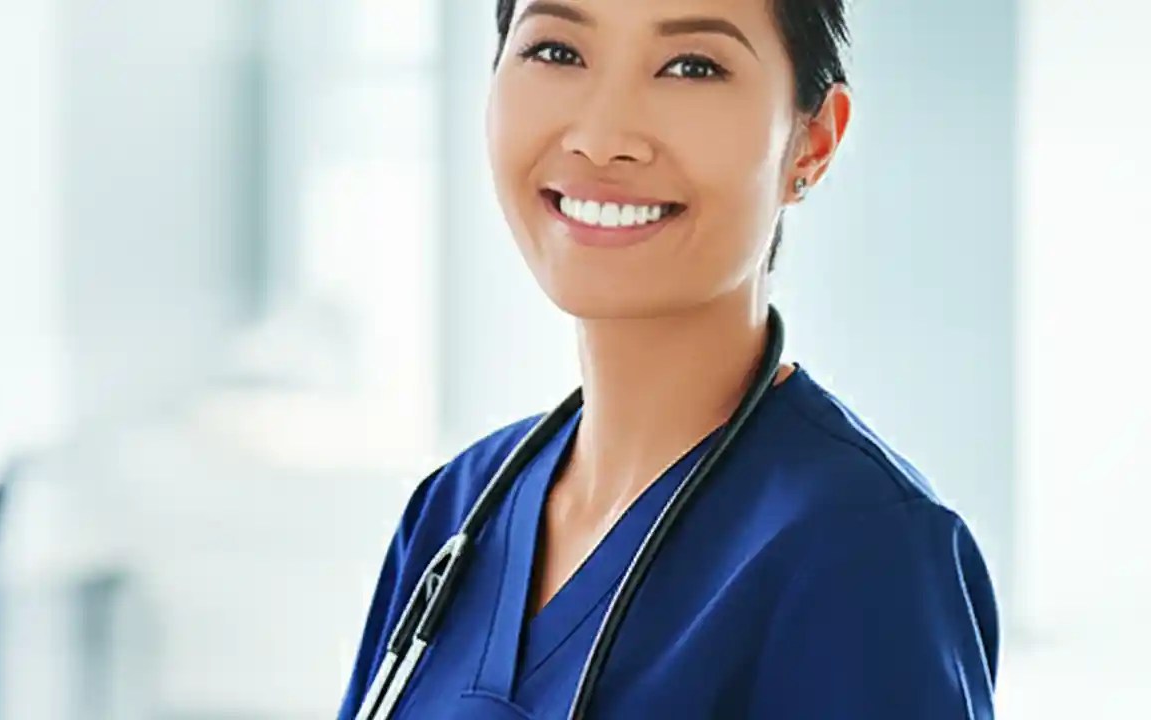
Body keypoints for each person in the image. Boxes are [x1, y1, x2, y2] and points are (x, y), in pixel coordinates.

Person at [338, 0, 999, 717]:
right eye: (557, 52)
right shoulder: (455, 511)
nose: (602, 138)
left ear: (810, 143)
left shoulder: (863, 550)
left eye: (692, 66)